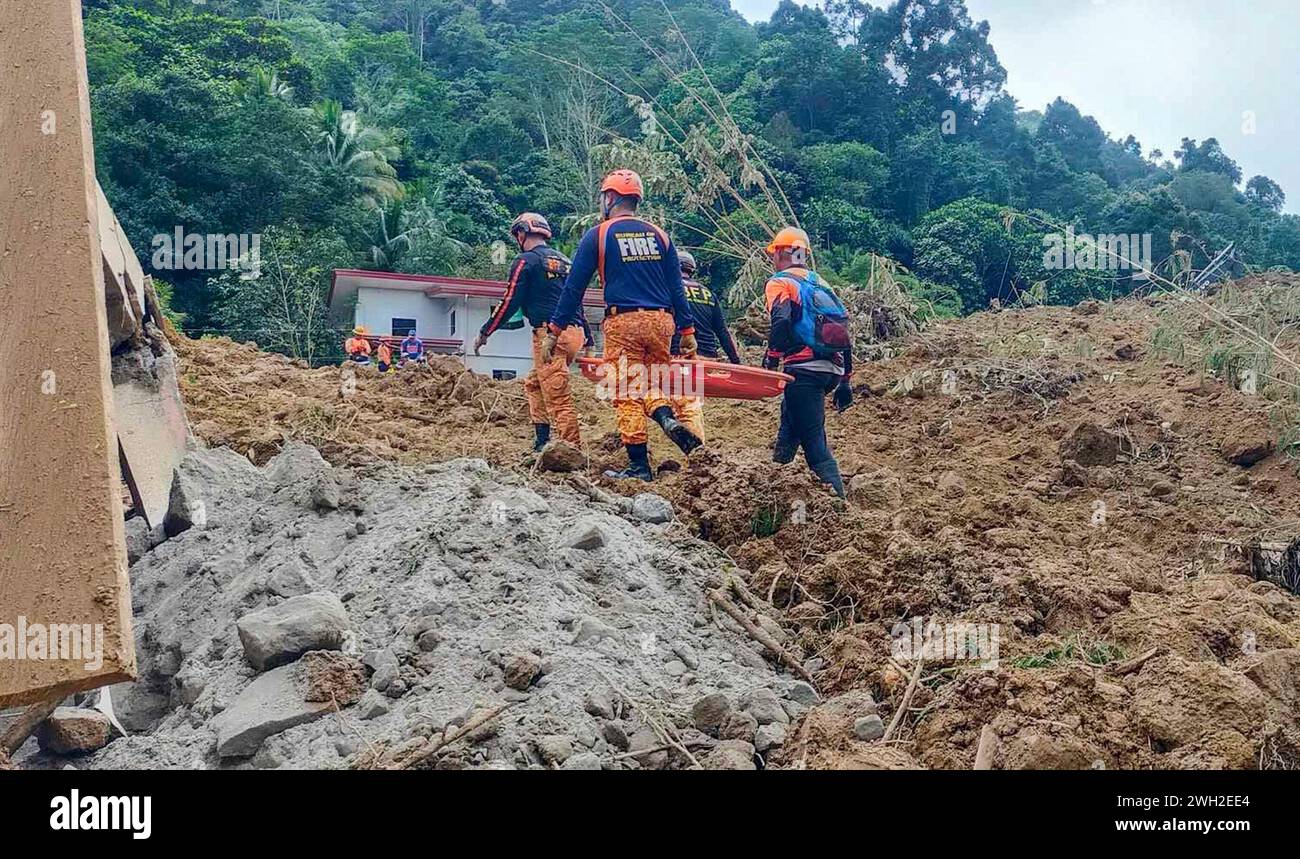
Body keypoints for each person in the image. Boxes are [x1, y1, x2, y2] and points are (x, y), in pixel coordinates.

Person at [546, 169, 700, 481]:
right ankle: (665, 416)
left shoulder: (599, 235)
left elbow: (573, 288)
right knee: (651, 381)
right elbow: (677, 288)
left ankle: (640, 467)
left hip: (623, 320)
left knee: (626, 391)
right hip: (662, 322)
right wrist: (688, 332)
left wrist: (554, 330)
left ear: (610, 198)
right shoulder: (661, 236)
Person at [474, 212, 588, 450]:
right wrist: (587, 335)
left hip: (550, 336)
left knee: (558, 397)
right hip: (575, 333)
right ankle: (541, 440)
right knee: (534, 383)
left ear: (522, 234)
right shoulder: (566, 262)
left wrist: (486, 332)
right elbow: (576, 299)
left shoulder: (526, 260)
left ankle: (571, 449)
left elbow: (510, 300)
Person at [761, 227, 853, 498]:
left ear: (780, 252)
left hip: (803, 370)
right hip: (831, 369)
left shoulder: (780, 282)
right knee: (790, 427)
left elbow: (781, 320)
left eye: (774, 253)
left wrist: (772, 361)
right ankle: (773, 487)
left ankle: (840, 506)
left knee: (815, 443)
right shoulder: (822, 283)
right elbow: (843, 327)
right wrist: (846, 379)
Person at [669, 248, 740, 442]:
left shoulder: (669, 290)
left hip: (681, 356)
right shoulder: (708, 294)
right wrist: (736, 363)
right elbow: (723, 333)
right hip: (707, 357)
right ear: (692, 270)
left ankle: (698, 452)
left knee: (685, 407)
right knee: (686, 404)